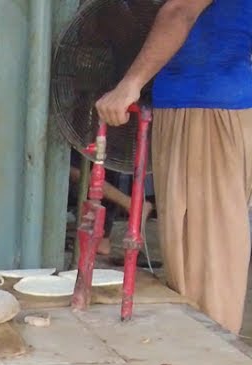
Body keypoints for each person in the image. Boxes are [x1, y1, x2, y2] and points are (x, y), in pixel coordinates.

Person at [95, 0, 252, 335]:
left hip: (207, 109)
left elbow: (180, 10)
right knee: (186, 261)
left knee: (209, 265)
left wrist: (129, 84)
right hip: (195, 104)